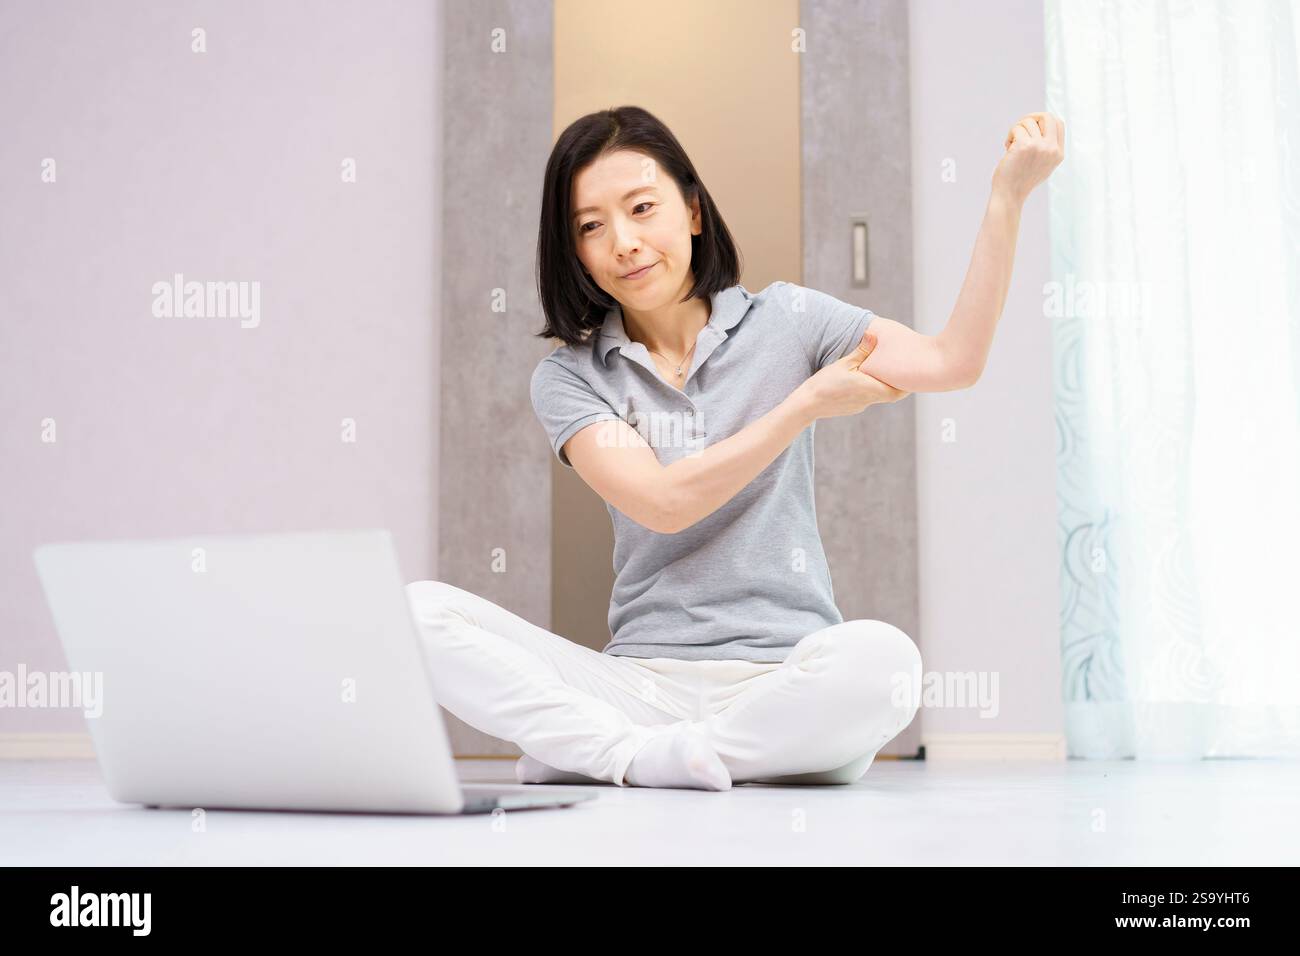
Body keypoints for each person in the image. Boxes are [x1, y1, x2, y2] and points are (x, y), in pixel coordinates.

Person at [406, 105, 1064, 790]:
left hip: (784, 678)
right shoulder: (571, 377)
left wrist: (1006, 198)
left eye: (641, 208)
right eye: (591, 227)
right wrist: (804, 404)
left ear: (692, 211)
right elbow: (665, 505)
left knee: (884, 662)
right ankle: (645, 752)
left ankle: (617, 753)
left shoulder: (788, 319)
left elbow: (953, 360)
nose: (624, 242)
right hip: (641, 682)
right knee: (421, 612)